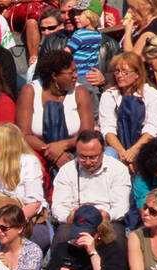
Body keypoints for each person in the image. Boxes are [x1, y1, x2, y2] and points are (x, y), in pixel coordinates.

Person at [17, 47, 95, 176]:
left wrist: (62, 146)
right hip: (37, 151)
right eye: (71, 73)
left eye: (76, 71)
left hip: (75, 150)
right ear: (54, 75)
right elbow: (24, 134)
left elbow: (87, 134)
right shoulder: (29, 91)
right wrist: (53, 153)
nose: (76, 76)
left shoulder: (80, 92)